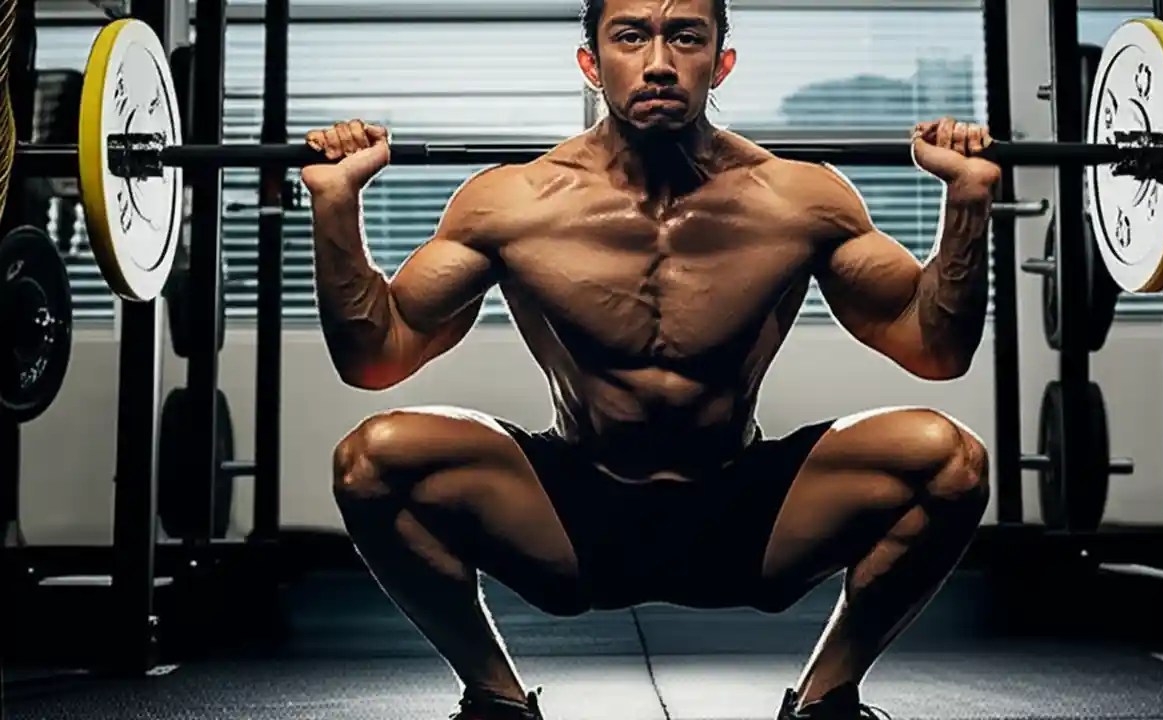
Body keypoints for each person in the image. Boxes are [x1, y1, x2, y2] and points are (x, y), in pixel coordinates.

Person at [302, 1, 996, 718]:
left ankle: (827, 701)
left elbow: (935, 348)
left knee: (950, 461)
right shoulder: (513, 204)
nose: (659, 63)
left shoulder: (797, 200)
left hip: (742, 508)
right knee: (371, 461)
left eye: (686, 37)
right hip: (572, 509)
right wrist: (335, 205)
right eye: (631, 36)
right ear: (591, 63)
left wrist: (968, 200)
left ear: (720, 63)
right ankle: (495, 701)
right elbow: (376, 356)